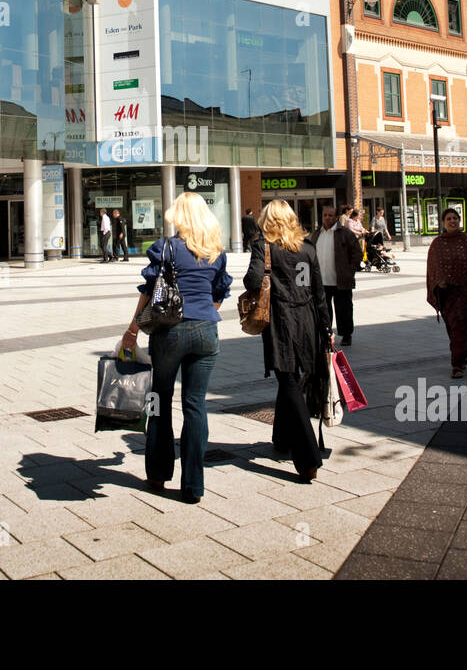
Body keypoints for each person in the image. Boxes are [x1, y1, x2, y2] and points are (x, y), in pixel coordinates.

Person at [120, 192, 232, 504]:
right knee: (196, 405)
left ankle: (158, 473)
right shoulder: (215, 251)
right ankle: (193, 486)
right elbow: (221, 292)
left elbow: (148, 292)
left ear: (179, 217)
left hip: (170, 332)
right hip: (207, 331)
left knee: (160, 398)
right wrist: (204, 312)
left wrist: (132, 331)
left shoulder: (166, 247)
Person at [244, 199, 330, 482]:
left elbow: (252, 281)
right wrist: (326, 329)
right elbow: (319, 293)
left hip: (281, 322)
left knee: (289, 381)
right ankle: (281, 439)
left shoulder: (264, 247)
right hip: (307, 321)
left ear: (268, 222)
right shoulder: (308, 248)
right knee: (290, 379)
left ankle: (308, 457)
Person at [426, 208, 467, 379]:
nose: (452, 221)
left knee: (462, 325)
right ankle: (462, 353)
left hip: (466, 293)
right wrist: (439, 282)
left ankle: (457, 364)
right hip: (447, 294)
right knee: (453, 327)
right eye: (448, 219)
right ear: (443, 223)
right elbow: (433, 268)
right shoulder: (437, 243)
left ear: (459, 220)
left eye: (455, 218)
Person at [309, 205, 362, 346]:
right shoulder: (316, 234)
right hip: (321, 281)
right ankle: (326, 334)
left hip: (341, 280)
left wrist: (350, 270)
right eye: (325, 215)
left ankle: (346, 335)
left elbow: (357, 253)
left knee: (343, 309)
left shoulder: (345, 233)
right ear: (321, 217)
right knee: (323, 311)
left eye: (331, 215)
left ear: (336, 217)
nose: (328, 218)